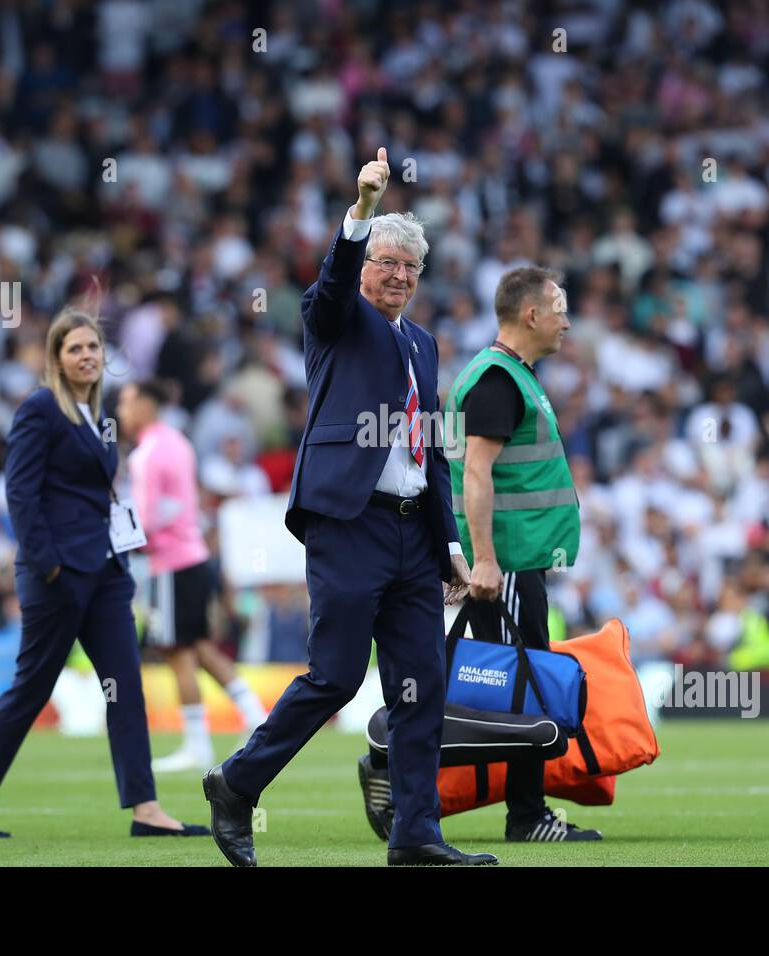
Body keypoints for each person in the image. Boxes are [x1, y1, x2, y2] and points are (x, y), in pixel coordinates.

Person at [201, 147, 495, 867]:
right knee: (334, 675)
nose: (397, 275)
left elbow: (430, 456)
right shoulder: (332, 316)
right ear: (366, 265)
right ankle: (239, 783)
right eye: (386, 262)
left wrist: (451, 547)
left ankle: (416, 834)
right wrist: (361, 212)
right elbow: (331, 283)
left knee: (421, 685)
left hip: (411, 534)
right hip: (348, 521)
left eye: (409, 268)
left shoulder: (423, 344)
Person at [0, 306, 206, 839]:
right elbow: (19, 494)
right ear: (57, 359)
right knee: (30, 688)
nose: (87, 356)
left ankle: (145, 808)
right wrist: (49, 566)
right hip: (58, 575)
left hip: (108, 572)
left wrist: (118, 564)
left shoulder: (101, 414)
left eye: (93, 347)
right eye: (75, 349)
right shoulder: (40, 409)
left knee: (125, 686)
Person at [361, 267, 599, 842]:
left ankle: (392, 763)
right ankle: (525, 815)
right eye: (560, 307)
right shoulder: (498, 379)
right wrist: (486, 560)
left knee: (484, 683)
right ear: (531, 315)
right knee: (519, 687)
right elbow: (476, 473)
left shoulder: (509, 374)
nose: (568, 320)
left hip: (516, 559)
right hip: (507, 562)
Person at [116, 378, 267, 772]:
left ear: (147, 405)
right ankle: (254, 715)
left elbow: (146, 518)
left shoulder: (146, 453)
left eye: (128, 402)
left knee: (177, 652)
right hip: (193, 557)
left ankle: (197, 745)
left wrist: (116, 536)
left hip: (169, 564)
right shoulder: (178, 442)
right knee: (199, 647)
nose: (122, 412)